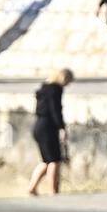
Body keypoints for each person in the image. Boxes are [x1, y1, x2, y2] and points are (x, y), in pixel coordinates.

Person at [27, 68, 72, 196]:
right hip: (48, 127)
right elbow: (55, 111)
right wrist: (62, 128)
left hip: (38, 125)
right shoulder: (55, 90)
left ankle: (32, 187)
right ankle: (53, 191)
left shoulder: (43, 89)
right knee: (54, 160)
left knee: (46, 161)